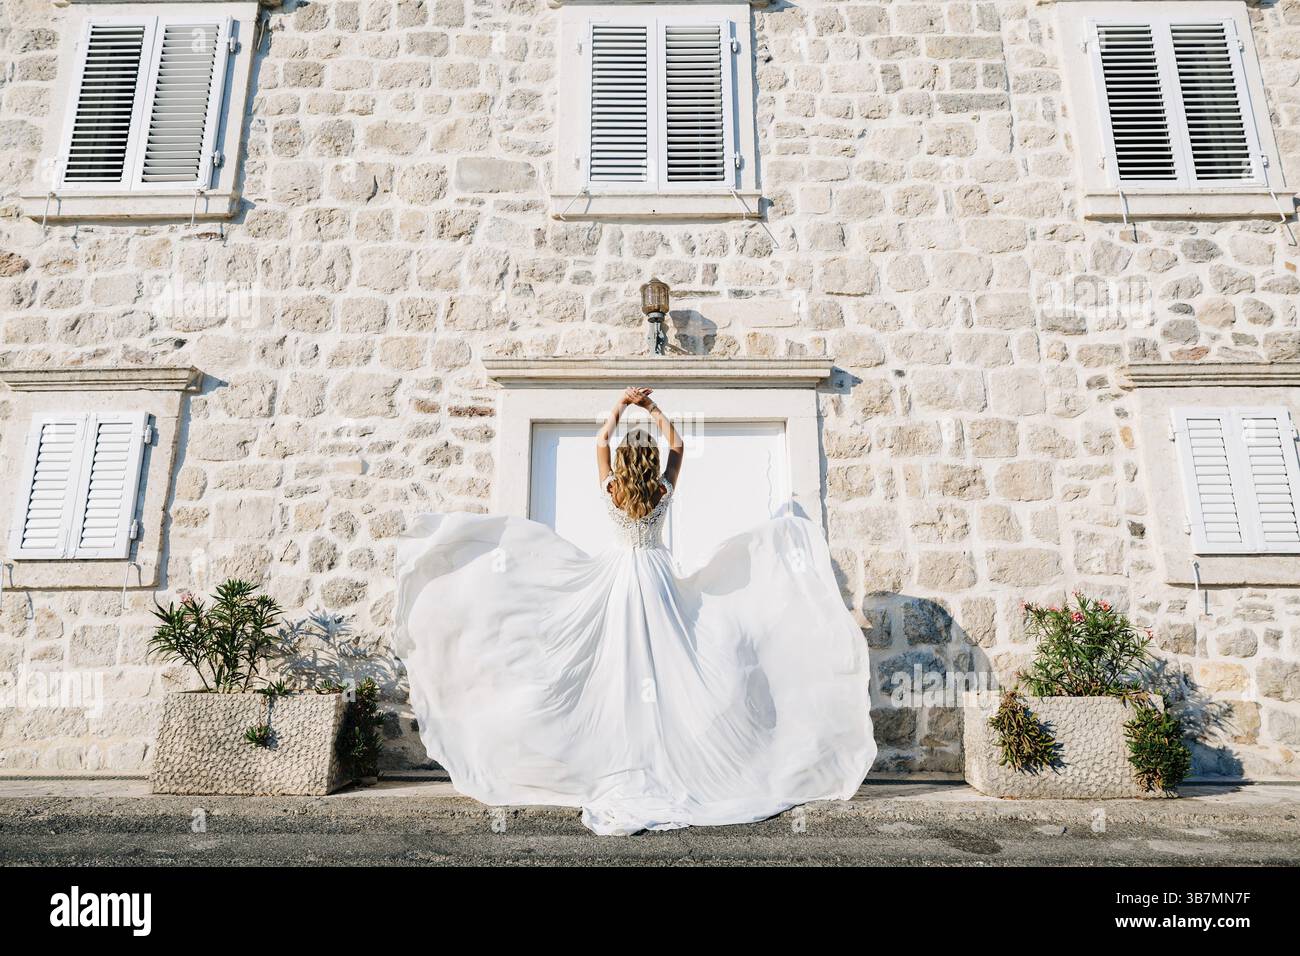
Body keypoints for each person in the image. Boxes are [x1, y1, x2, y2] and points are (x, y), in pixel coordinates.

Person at [394, 386, 875, 835]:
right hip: (658, 579)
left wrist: (622, 406)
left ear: (624, 460)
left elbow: (601, 438)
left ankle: (619, 755)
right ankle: (664, 755)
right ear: (651, 460)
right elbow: (680, 444)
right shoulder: (662, 490)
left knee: (614, 668)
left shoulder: (612, 489)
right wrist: (654, 410)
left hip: (620, 578)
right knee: (667, 667)